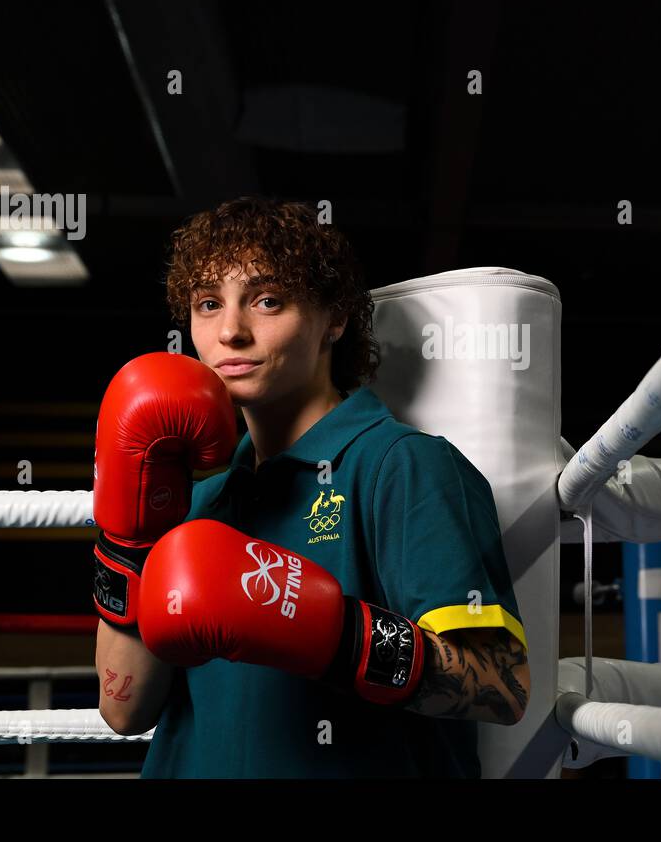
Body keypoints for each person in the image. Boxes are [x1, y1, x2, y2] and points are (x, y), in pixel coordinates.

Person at [92, 197, 528, 777]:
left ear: (335, 318)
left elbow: (502, 686)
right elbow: (123, 712)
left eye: (267, 301)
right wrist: (130, 537)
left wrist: (338, 635)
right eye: (208, 304)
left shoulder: (402, 465)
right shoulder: (198, 501)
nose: (231, 331)